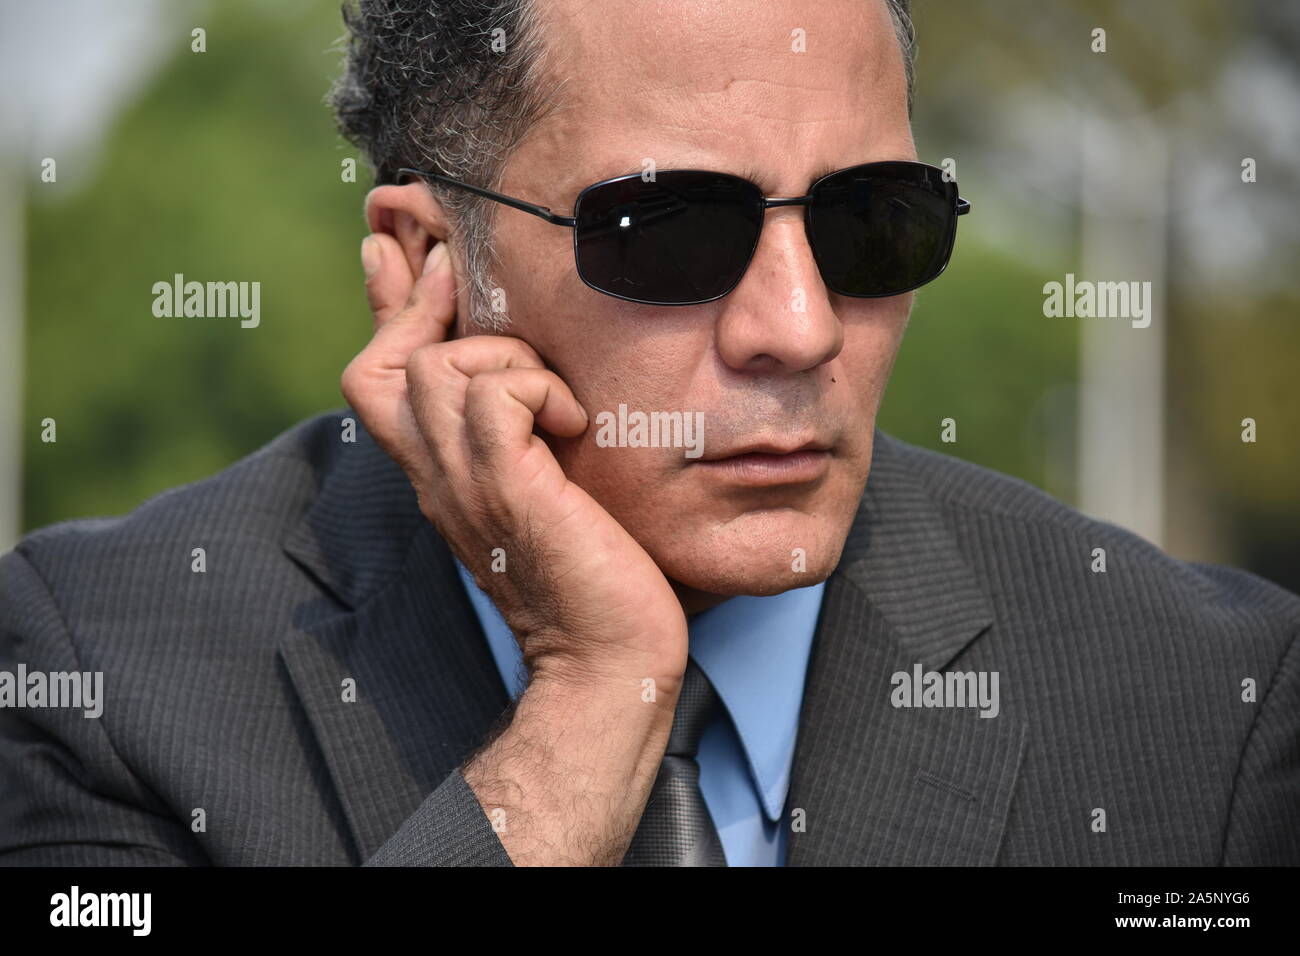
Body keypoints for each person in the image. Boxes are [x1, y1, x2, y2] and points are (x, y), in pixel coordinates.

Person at [1, 0, 1296, 867]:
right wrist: (586, 705)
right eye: (674, 230)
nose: (798, 330)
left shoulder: (1208, 711)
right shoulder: (103, 682)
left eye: (872, 222)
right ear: (436, 264)